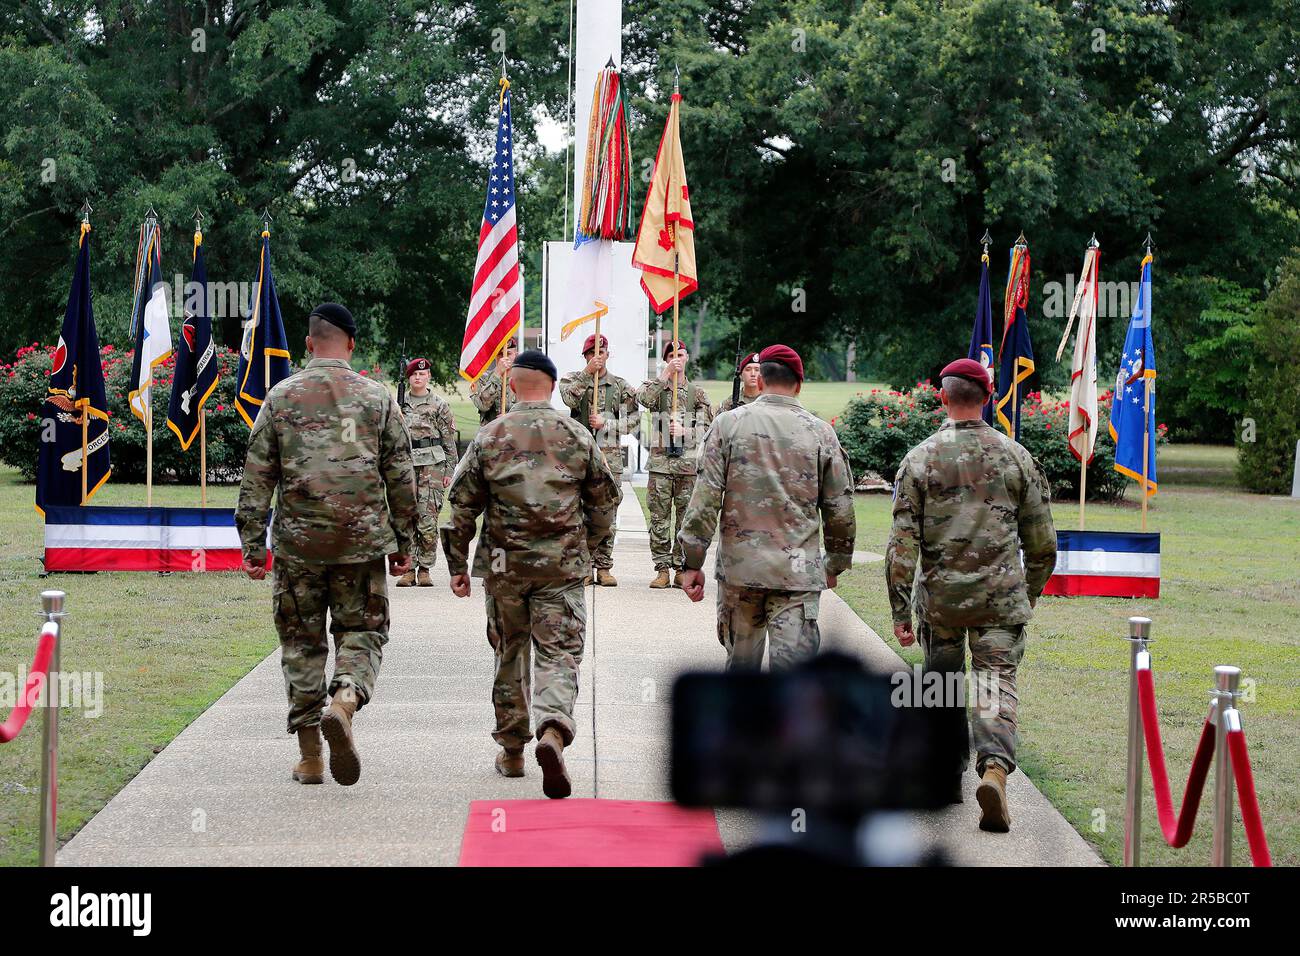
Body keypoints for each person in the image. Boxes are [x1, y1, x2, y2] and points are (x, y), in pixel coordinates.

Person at [236, 302, 417, 787]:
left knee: (302, 644)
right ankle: (346, 700)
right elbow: (401, 476)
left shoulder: (281, 397)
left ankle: (312, 756)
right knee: (362, 631)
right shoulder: (378, 399)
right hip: (361, 545)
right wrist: (406, 542)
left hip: (299, 545)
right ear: (352, 345)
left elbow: (257, 476)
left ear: (310, 343)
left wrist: (253, 543)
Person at [885, 357, 1057, 832]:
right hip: (999, 599)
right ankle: (995, 770)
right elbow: (1042, 542)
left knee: (942, 684)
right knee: (994, 683)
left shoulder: (919, 458)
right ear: (988, 396)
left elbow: (902, 545)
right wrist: (1031, 591)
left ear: (942, 397)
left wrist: (900, 606)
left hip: (940, 600)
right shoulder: (1016, 457)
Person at [442, 349, 621, 798]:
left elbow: (461, 506)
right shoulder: (576, 434)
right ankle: (554, 729)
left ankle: (513, 750)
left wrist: (457, 565)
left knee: (509, 654)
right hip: (561, 565)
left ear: (514, 384)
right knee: (559, 653)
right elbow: (604, 501)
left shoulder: (490, 435)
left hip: (504, 566)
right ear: (554, 386)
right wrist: (592, 548)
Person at [677, 344, 857, 671]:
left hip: (740, 570)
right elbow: (840, 509)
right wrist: (835, 563)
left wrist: (692, 560)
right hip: (798, 574)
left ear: (760, 382)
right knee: (792, 684)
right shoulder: (821, 433)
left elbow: (704, 499)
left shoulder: (727, 426)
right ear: (800, 384)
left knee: (741, 677)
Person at [559, 333, 639, 587]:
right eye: (591, 353)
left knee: (607, 511)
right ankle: (582, 565)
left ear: (608, 354)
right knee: (578, 511)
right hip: (578, 456)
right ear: (585, 356)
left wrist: (609, 423)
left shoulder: (620, 386)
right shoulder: (573, 379)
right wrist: (586, 373)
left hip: (609, 456)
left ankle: (604, 565)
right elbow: (568, 398)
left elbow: (636, 419)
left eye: (601, 352)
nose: (597, 357)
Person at [636, 340, 714, 588]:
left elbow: (707, 428)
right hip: (660, 465)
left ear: (687, 357)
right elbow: (644, 400)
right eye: (671, 355)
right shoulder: (656, 387)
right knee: (659, 519)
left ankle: (680, 567)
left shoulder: (697, 394)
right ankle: (661, 569)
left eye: (680, 354)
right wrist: (666, 374)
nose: (677, 358)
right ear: (665, 359)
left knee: (685, 521)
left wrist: (684, 430)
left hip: (687, 467)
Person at [398, 357, 458, 587]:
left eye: (422, 374)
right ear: (408, 377)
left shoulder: (439, 404)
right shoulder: (400, 404)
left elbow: (448, 441)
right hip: (406, 464)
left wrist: (449, 470)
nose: (418, 377)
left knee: (428, 518)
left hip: (432, 465)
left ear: (428, 377)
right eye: (414, 374)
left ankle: (424, 568)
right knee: (407, 517)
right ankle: (408, 569)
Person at [470, 341, 518, 425]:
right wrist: (497, 374)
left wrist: (510, 418)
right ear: (495, 356)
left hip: (515, 434)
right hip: (490, 435)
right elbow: (483, 406)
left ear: (516, 355)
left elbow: (531, 411)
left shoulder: (524, 380)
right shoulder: (482, 379)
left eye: (508, 354)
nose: (504, 358)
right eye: (500, 354)